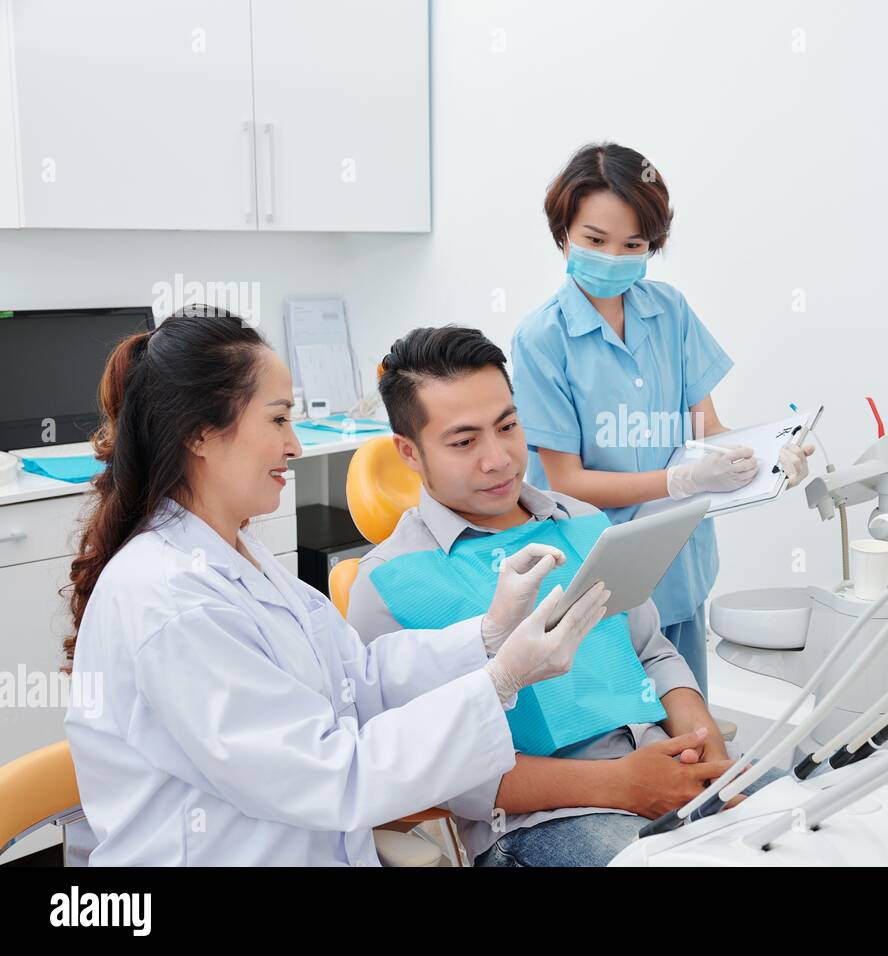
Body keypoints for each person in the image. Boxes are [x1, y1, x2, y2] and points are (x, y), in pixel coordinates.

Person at [61, 306, 608, 866]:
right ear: (200, 434)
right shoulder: (169, 601)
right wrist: (501, 679)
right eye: (277, 421)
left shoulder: (241, 558)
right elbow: (333, 776)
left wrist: (488, 636)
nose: (294, 446)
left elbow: (357, 680)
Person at [347, 325, 782, 867]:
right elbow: (427, 764)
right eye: (464, 442)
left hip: (664, 766)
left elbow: (651, 651)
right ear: (409, 452)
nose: (499, 458)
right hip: (546, 822)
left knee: (830, 822)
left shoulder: (580, 521)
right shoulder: (388, 583)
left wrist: (708, 748)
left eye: (507, 426)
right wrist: (622, 786)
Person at [510, 142, 814, 697]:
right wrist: (678, 481)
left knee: (688, 720)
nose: (613, 257)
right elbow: (567, 483)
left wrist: (773, 456)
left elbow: (708, 433)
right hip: (599, 573)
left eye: (634, 244)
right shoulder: (541, 340)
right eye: (595, 240)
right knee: (623, 736)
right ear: (563, 234)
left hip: (680, 561)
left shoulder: (668, 310)